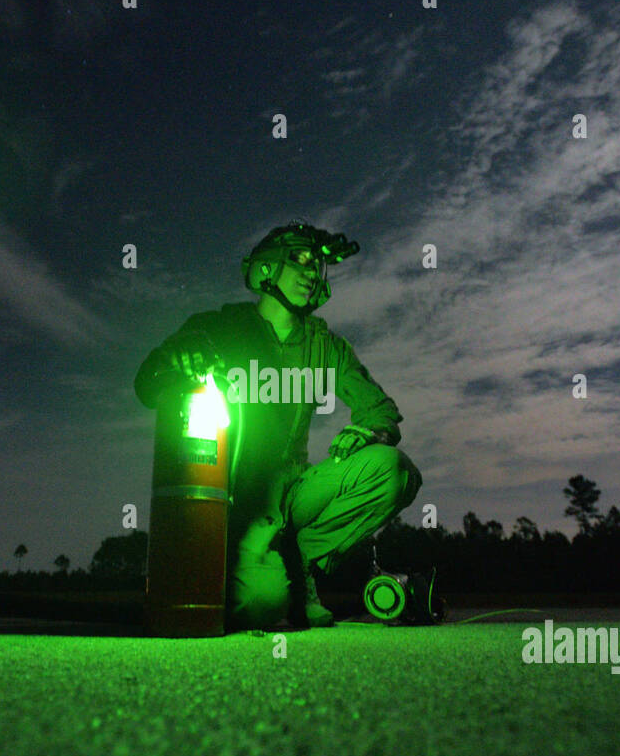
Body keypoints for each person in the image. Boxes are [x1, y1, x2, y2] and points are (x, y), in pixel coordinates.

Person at [134, 220, 422, 630]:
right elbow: (147, 383)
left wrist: (368, 433)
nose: (311, 274)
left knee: (395, 471)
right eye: (300, 261)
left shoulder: (326, 345)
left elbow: (382, 412)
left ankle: (300, 557)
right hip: (241, 498)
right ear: (267, 268)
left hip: (298, 488)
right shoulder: (219, 326)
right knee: (260, 605)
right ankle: (262, 569)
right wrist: (181, 368)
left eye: (317, 266)